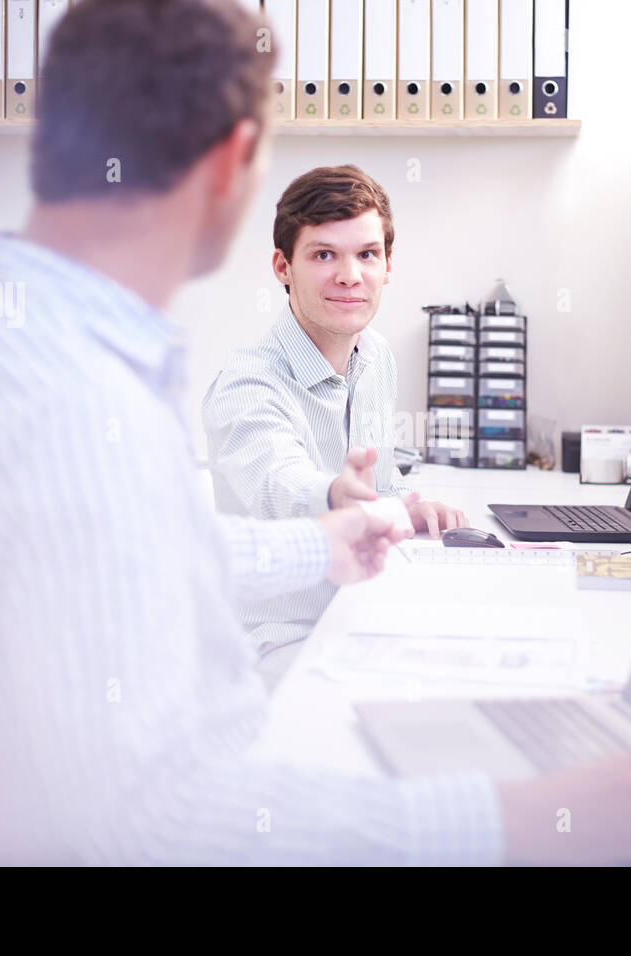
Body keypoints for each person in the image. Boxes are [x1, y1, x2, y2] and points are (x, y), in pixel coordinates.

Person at [0, 0, 631, 865]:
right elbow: (155, 819)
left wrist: (319, 545)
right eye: (324, 254)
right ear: (236, 159)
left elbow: (119, 551)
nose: (348, 274)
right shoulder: (71, 401)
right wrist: (517, 823)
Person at [202, 164, 467, 672]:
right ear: (282, 267)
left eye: (367, 254)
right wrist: (334, 497)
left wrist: (406, 508)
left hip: (364, 613)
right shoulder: (247, 384)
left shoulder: (376, 358)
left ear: (388, 264)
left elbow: (379, 487)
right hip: (279, 644)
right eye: (324, 254)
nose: (350, 275)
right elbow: (277, 480)